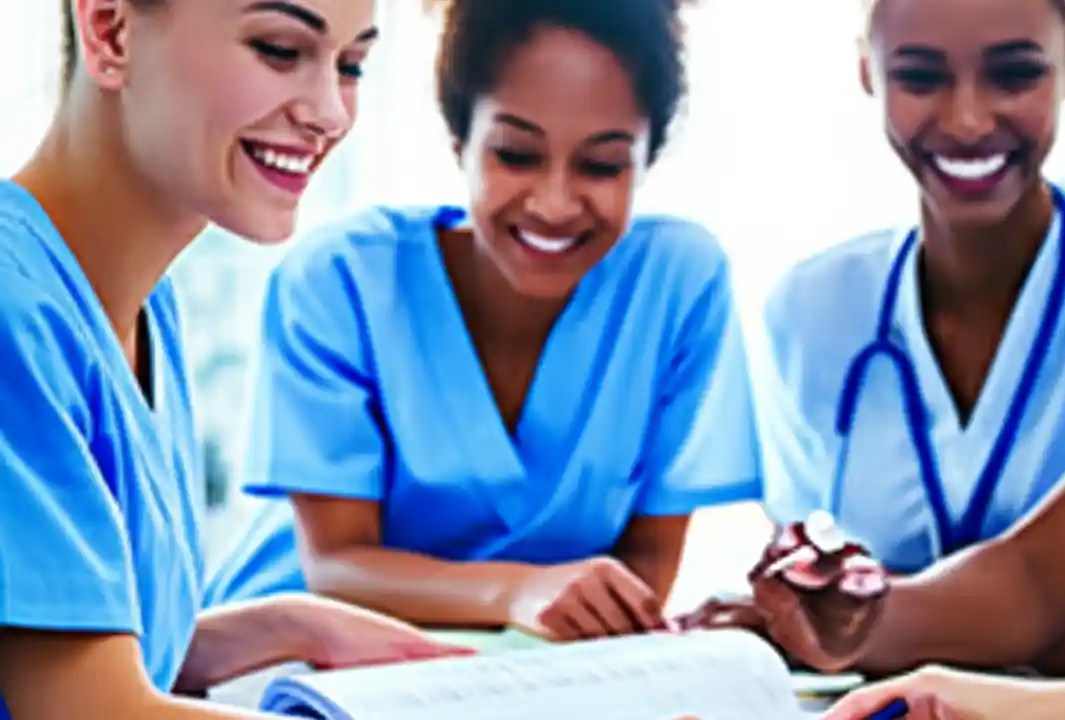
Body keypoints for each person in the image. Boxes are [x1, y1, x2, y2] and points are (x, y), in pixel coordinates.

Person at [687, 0, 1065, 681]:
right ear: (868, 72)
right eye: (921, 78)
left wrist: (895, 633)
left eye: (1013, 75)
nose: (967, 120)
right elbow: (1010, 587)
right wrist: (813, 621)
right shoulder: (812, 308)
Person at [203, 0, 760, 642]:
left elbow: (640, 576)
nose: (554, 203)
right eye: (516, 155)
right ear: (459, 142)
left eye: (602, 165)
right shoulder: (343, 280)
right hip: (294, 659)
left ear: (647, 161)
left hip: (520, 676)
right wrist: (515, 591)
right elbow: (334, 566)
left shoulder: (678, 283)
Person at [0, 1, 478, 718]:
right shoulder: (15, 310)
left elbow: (55, 642)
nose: (330, 114)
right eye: (281, 50)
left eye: (350, 66)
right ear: (110, 30)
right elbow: (88, 710)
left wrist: (283, 626)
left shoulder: (139, 305)